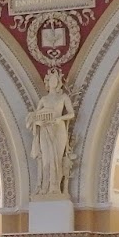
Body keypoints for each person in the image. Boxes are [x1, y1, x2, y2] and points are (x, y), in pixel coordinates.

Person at [27, 68, 75, 196]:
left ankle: (56, 188)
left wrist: (60, 118)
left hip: (59, 130)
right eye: (51, 80)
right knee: (47, 159)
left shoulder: (63, 97)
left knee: (57, 159)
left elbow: (71, 114)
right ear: (47, 82)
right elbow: (35, 117)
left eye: (55, 80)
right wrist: (38, 123)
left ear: (58, 82)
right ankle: (45, 187)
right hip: (45, 130)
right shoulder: (43, 100)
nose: (53, 82)